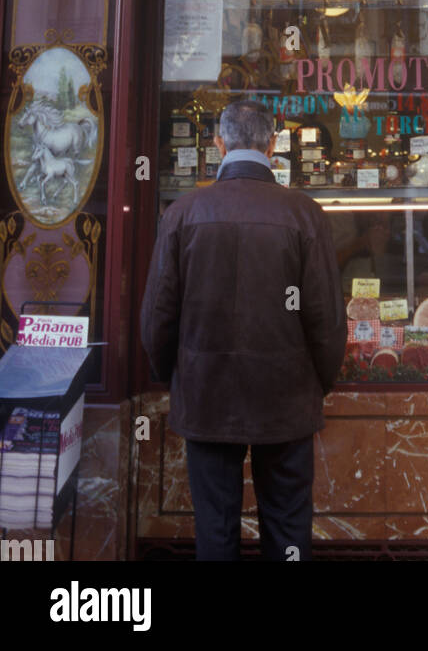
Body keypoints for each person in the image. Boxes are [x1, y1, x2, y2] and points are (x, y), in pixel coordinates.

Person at [140, 99, 346, 561]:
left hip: (206, 391)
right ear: (273, 145)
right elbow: (326, 318)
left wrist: (172, 373)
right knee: (288, 523)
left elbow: (158, 316)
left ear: (218, 143)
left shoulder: (182, 213)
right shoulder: (303, 213)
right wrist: (321, 381)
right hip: (285, 393)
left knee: (215, 527)